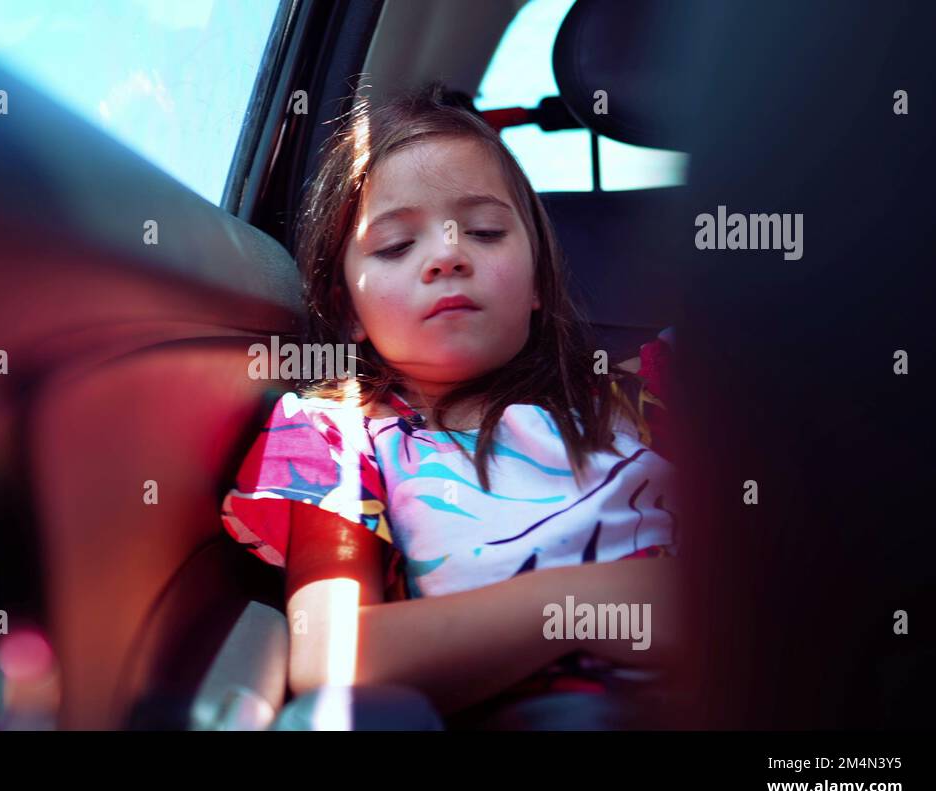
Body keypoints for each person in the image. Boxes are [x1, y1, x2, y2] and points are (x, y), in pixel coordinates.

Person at [221, 83, 684, 727]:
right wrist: (579, 604)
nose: (447, 254)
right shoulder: (336, 435)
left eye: (485, 232)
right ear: (349, 308)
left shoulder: (641, 396)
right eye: (395, 246)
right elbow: (331, 657)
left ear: (538, 283)